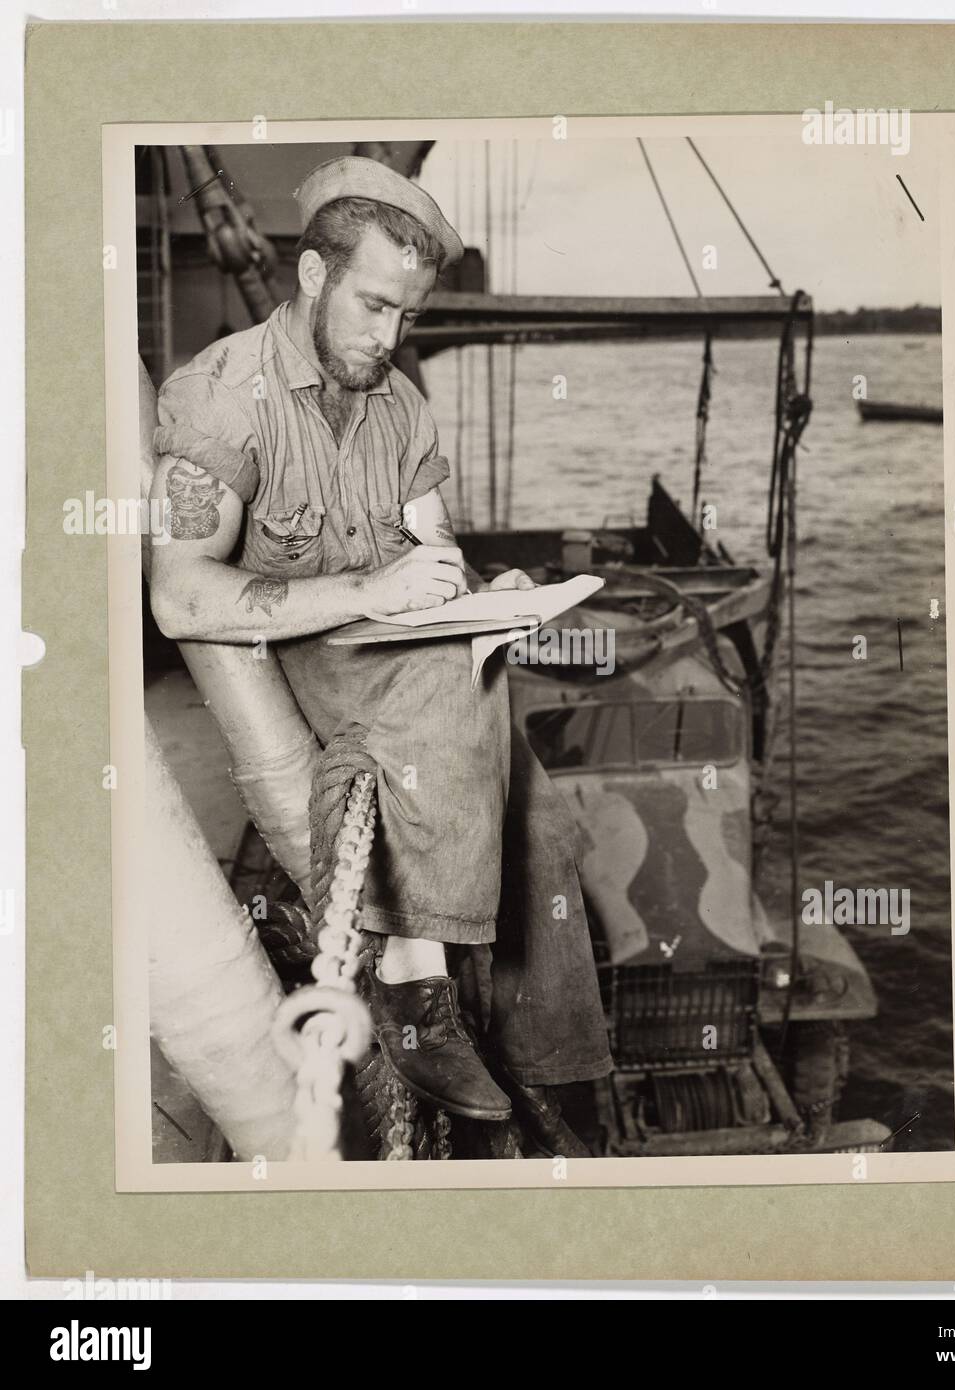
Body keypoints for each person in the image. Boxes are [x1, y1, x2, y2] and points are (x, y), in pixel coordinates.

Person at [148, 155, 611, 1151]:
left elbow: (429, 541)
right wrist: (370, 592)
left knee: (547, 822)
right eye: (371, 307)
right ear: (313, 275)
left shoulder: (399, 400)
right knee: (450, 688)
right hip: (300, 641)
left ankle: (552, 1070)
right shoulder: (222, 394)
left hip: (396, 635)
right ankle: (413, 999)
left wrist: (480, 595)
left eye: (406, 315)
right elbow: (178, 593)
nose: (388, 337)